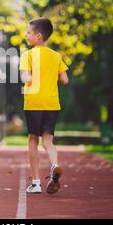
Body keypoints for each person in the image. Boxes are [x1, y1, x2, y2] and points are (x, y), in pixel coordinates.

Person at [19, 17, 69, 194]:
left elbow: (25, 76)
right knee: (48, 140)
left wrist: (28, 78)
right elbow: (65, 79)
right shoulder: (56, 56)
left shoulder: (28, 55)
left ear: (38, 36)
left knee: (33, 138)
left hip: (34, 102)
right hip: (51, 103)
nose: (26, 35)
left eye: (29, 32)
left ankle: (36, 183)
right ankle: (54, 165)